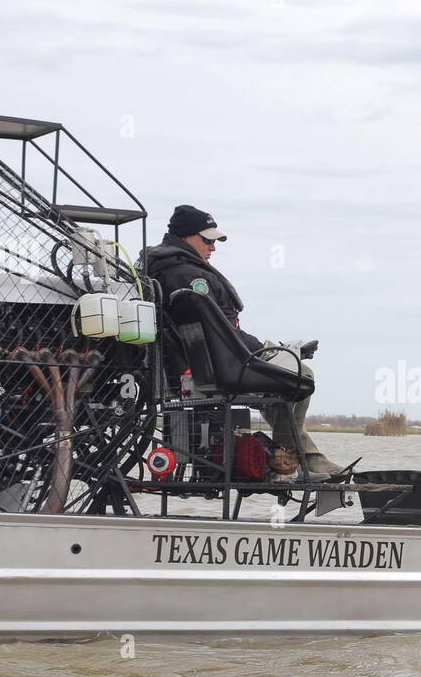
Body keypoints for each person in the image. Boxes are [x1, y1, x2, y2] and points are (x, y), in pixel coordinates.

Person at [139, 204, 343, 477]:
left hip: (199, 363)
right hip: (216, 368)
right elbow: (221, 333)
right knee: (300, 375)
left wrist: (269, 350)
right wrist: (266, 351)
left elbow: (220, 331)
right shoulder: (190, 276)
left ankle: (306, 459)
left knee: (279, 381)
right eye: (208, 239)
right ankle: (287, 461)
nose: (213, 247)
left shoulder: (164, 268)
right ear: (186, 236)